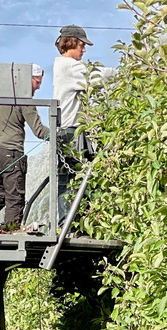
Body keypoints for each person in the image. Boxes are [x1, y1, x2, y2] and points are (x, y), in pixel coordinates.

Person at [0, 64, 50, 230]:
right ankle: (11, 233)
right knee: (15, 197)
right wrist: (59, 135)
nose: (39, 87)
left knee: (0, 192)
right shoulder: (24, 99)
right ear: (27, 80)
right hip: (11, 153)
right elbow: (39, 130)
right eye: (37, 82)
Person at [52, 25, 115, 224]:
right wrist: (129, 70)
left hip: (67, 131)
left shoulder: (62, 65)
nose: (84, 50)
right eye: (81, 45)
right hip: (72, 133)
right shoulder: (69, 66)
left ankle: (69, 222)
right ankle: (71, 223)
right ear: (70, 43)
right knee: (80, 178)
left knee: (68, 180)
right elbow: (97, 76)